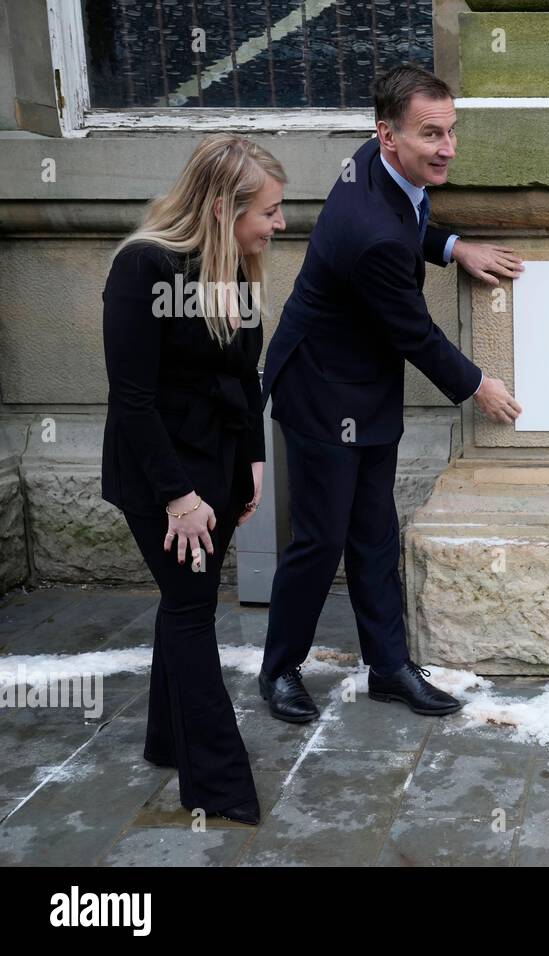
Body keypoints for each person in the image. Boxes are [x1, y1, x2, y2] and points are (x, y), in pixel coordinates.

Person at [258, 64, 523, 723]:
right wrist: (479, 385)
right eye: (432, 134)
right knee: (321, 540)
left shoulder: (381, 169)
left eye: (452, 131)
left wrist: (452, 245)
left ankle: (388, 668)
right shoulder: (369, 230)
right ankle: (278, 669)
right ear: (388, 135)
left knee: (375, 531)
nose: (448, 148)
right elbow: (416, 333)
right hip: (321, 390)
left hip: (364, 384)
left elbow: (409, 226)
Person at [101, 133, 288, 822]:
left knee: (186, 601)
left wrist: (253, 463)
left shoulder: (234, 267)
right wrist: (180, 499)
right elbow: (134, 399)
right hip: (163, 480)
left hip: (217, 469)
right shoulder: (142, 267)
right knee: (189, 610)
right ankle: (218, 785)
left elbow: (244, 374)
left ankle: (166, 742)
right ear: (220, 208)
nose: (280, 223)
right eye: (268, 210)